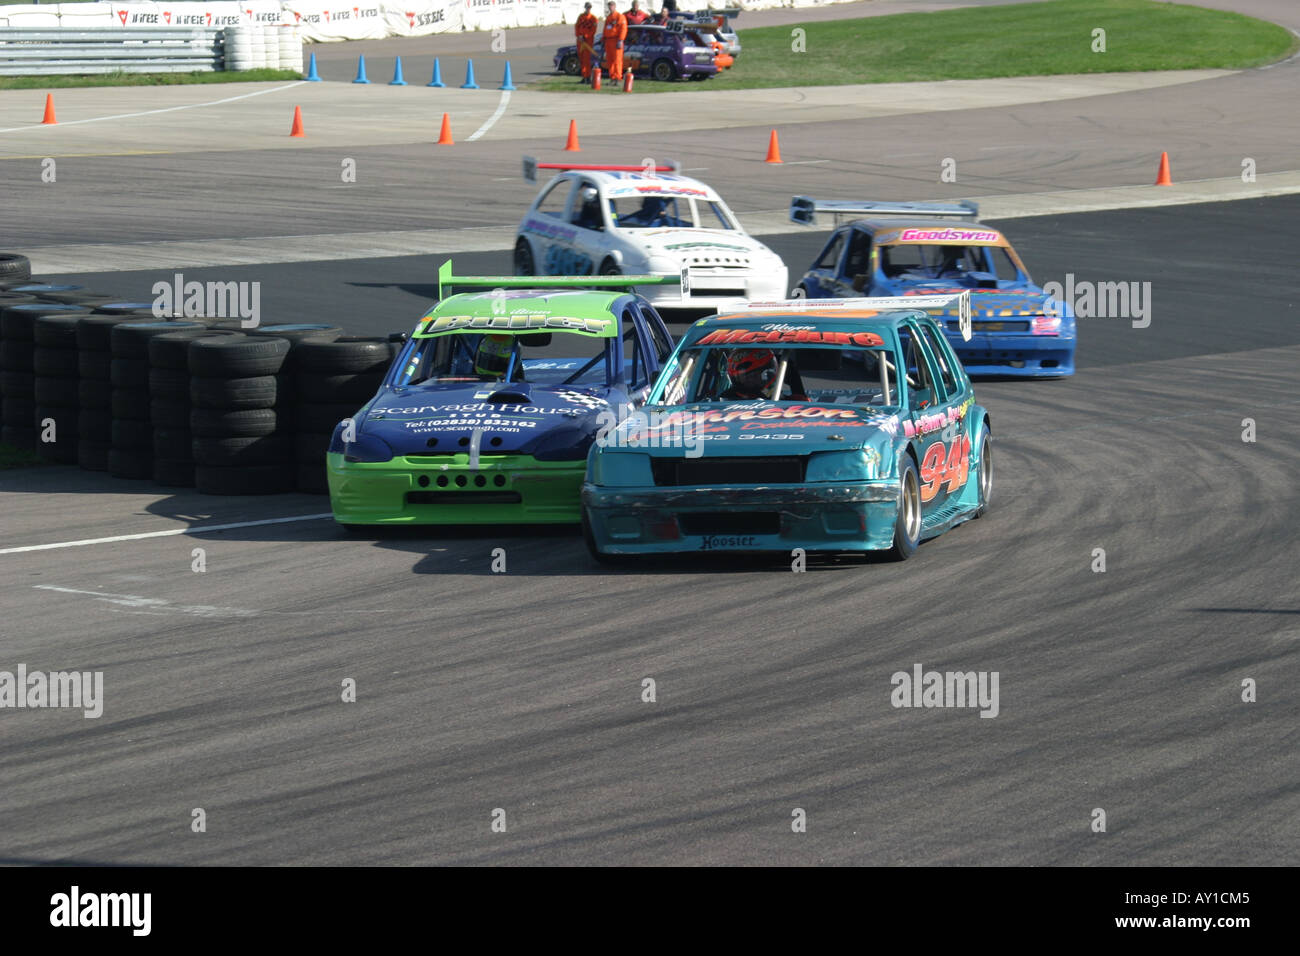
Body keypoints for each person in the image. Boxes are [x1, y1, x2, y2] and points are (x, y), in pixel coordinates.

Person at [602, 0, 627, 82]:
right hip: (608, 41)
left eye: (612, 5)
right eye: (609, 5)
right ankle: (612, 77)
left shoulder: (620, 16)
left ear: (615, 6)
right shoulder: (608, 18)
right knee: (610, 61)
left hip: (616, 40)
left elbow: (623, 29)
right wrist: (603, 39)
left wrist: (621, 40)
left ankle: (618, 77)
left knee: (617, 60)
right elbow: (605, 30)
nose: (610, 7)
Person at [575, 2, 599, 83]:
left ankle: (588, 77)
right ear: (584, 7)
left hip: (588, 42)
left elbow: (593, 30)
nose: (588, 9)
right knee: (581, 59)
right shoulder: (580, 17)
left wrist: (585, 36)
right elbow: (577, 27)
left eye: (589, 8)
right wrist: (579, 36)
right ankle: (584, 76)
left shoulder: (593, 18)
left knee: (586, 60)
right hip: (580, 41)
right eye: (587, 7)